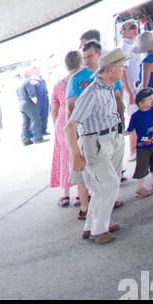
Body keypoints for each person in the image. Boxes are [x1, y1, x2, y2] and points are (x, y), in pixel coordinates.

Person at [66, 48, 127, 244]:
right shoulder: (91, 93)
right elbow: (70, 126)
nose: (123, 69)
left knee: (104, 186)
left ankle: (92, 226)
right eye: (120, 66)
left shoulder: (108, 88)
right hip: (96, 142)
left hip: (110, 138)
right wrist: (76, 155)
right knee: (108, 184)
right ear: (110, 70)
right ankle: (99, 230)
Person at [50, 51, 81, 207]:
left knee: (65, 156)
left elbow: (54, 110)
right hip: (79, 118)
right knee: (81, 152)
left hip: (63, 121)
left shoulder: (58, 85)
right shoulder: (81, 80)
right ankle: (83, 193)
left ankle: (66, 194)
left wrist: (57, 125)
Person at [126, 87, 153, 197]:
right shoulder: (136, 116)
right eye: (149, 99)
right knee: (142, 166)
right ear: (141, 103)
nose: (152, 101)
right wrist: (124, 133)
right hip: (142, 146)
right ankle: (140, 187)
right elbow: (130, 130)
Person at [16, 72, 42, 145]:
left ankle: (25, 139)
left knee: (25, 122)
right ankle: (37, 138)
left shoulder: (19, 82)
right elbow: (32, 94)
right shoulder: (28, 81)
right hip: (29, 103)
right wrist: (35, 101)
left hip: (21, 103)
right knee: (36, 120)